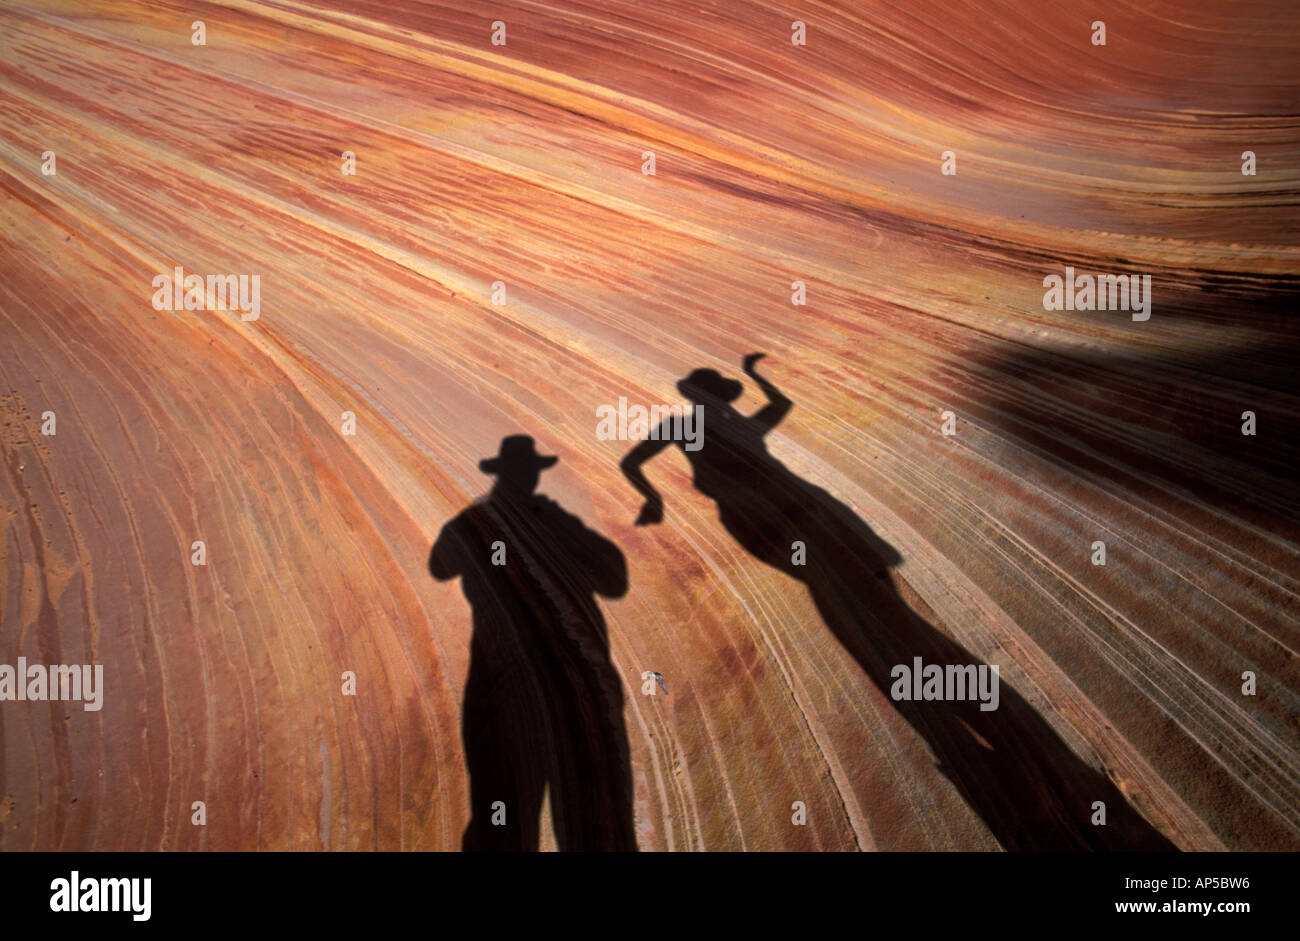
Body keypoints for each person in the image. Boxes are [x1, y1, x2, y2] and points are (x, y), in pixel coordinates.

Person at [432, 435, 636, 851]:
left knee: (504, 813)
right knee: (592, 814)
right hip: (573, 685)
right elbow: (614, 581)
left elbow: (440, 565)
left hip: (507, 686)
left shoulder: (485, 520)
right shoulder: (543, 520)